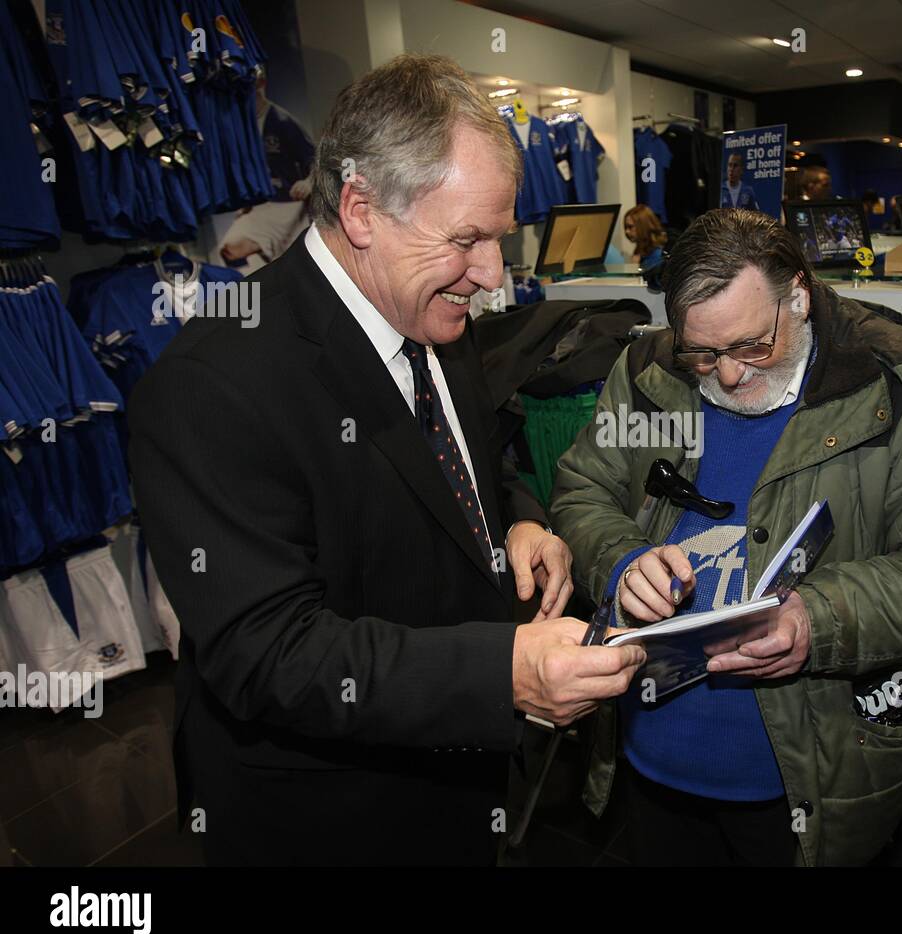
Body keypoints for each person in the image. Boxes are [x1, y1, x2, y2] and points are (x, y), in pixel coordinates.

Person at [128, 54, 644, 866]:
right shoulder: (214, 384)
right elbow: (268, 652)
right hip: (329, 819)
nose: (491, 277)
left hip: (460, 790)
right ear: (361, 210)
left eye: (498, 240)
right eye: (467, 240)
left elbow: (467, 471)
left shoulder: (435, 313)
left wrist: (520, 521)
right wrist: (498, 673)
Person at [548, 208, 902, 866]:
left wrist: (818, 619)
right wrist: (622, 561)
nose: (730, 375)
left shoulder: (901, 379)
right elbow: (583, 489)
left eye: (752, 346)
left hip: (811, 773)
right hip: (649, 753)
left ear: (796, 295)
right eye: (704, 352)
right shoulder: (650, 367)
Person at [219, 72, 315, 273]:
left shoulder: (282, 121)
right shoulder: (241, 127)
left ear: (260, 83)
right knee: (229, 249)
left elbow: (314, 158)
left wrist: (308, 181)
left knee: (293, 264)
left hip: (288, 206)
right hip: (260, 205)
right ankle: (257, 286)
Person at [623, 204, 667, 269]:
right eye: (626, 227)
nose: (626, 231)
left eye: (630, 227)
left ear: (643, 226)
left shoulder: (657, 255)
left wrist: (634, 267)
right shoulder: (641, 251)